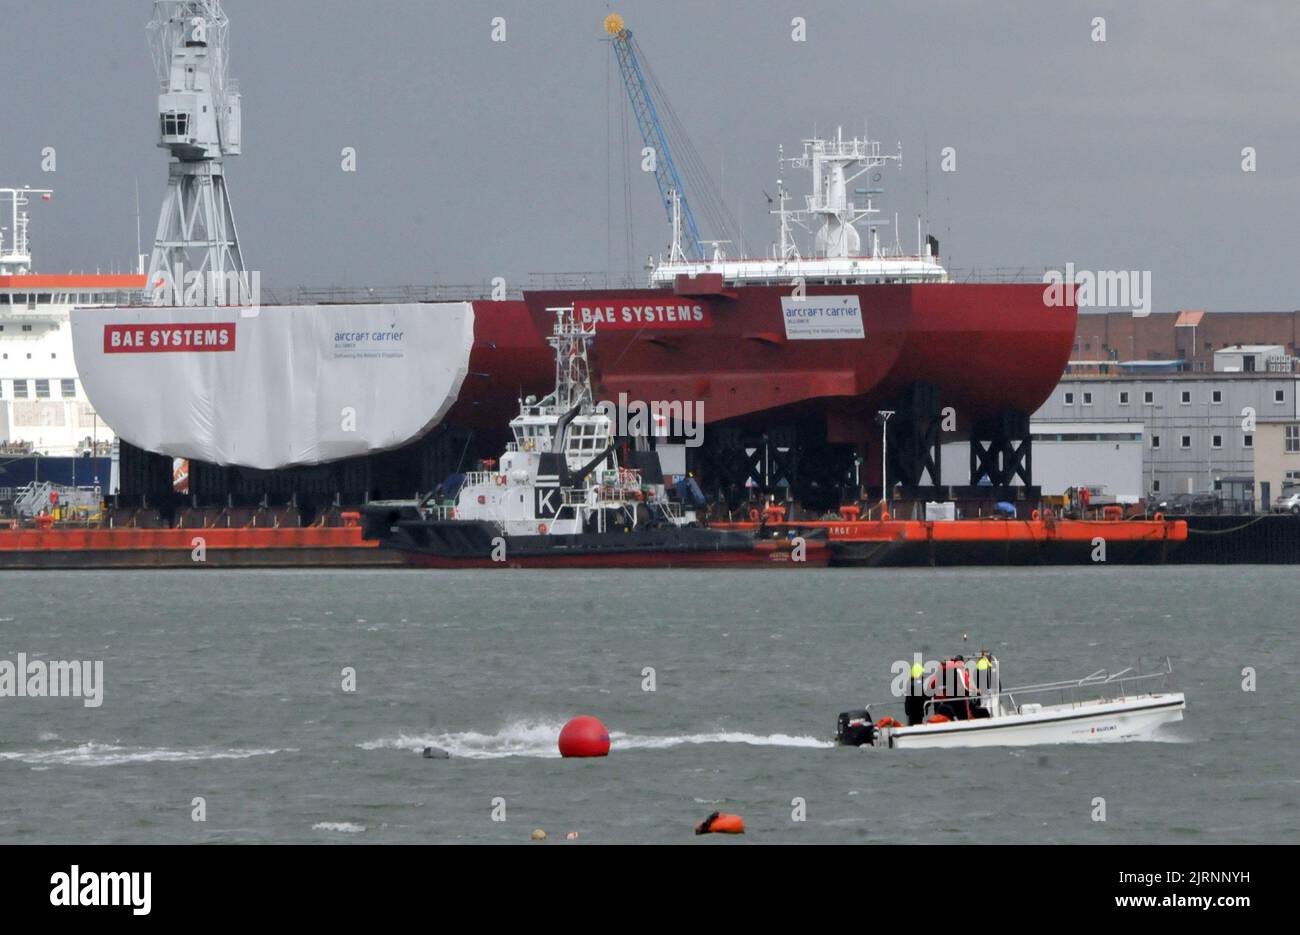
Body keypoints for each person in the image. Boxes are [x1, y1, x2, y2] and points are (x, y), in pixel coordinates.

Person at [904, 659, 926, 726]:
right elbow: (922, 698)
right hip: (917, 712)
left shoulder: (910, 682)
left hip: (910, 711)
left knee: (911, 724)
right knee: (917, 725)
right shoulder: (917, 684)